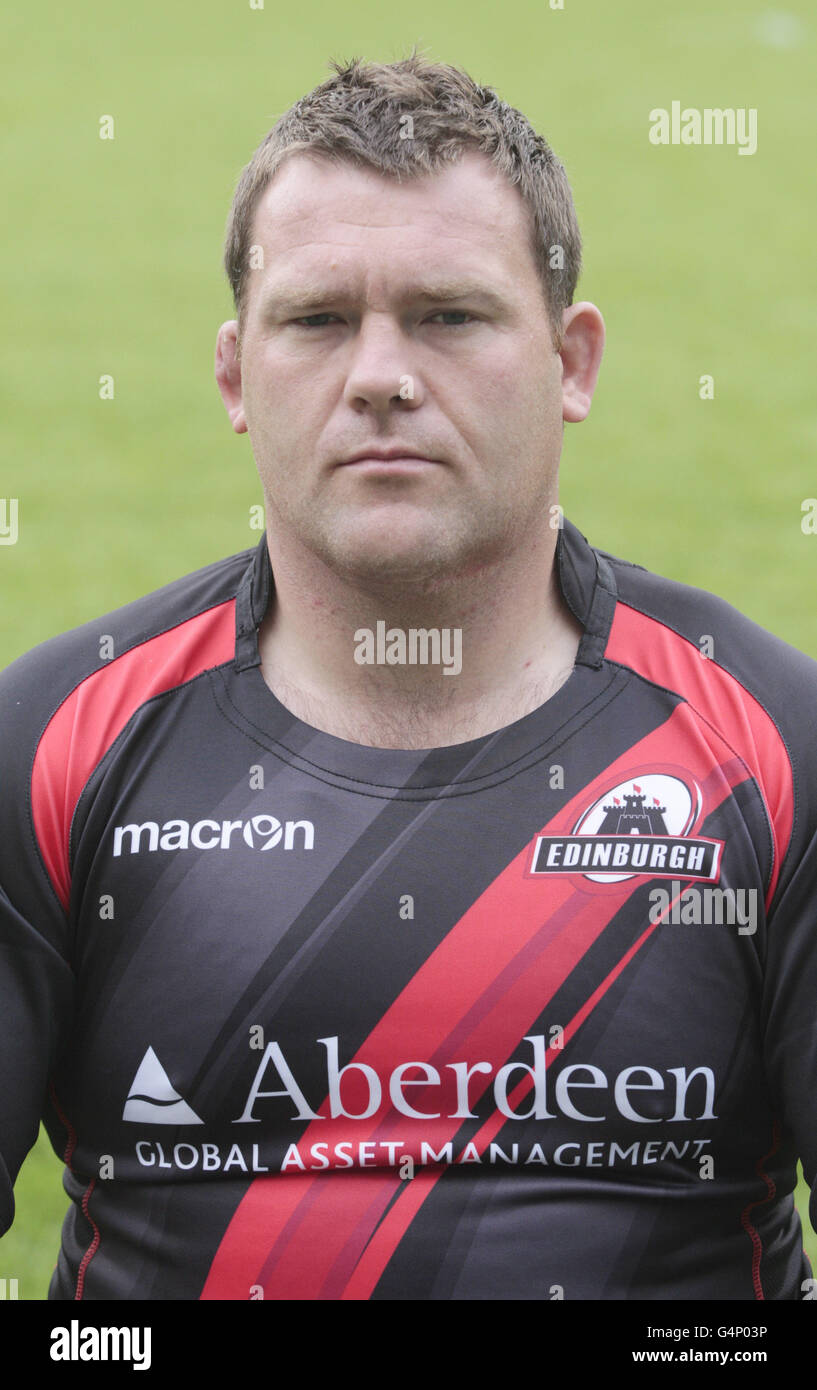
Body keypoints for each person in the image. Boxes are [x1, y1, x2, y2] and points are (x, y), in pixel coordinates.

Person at [1, 50, 815, 1303]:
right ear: (234, 374)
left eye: (449, 315)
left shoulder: (773, 745)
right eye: (318, 320)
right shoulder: (53, 745)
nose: (380, 374)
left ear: (571, 361)